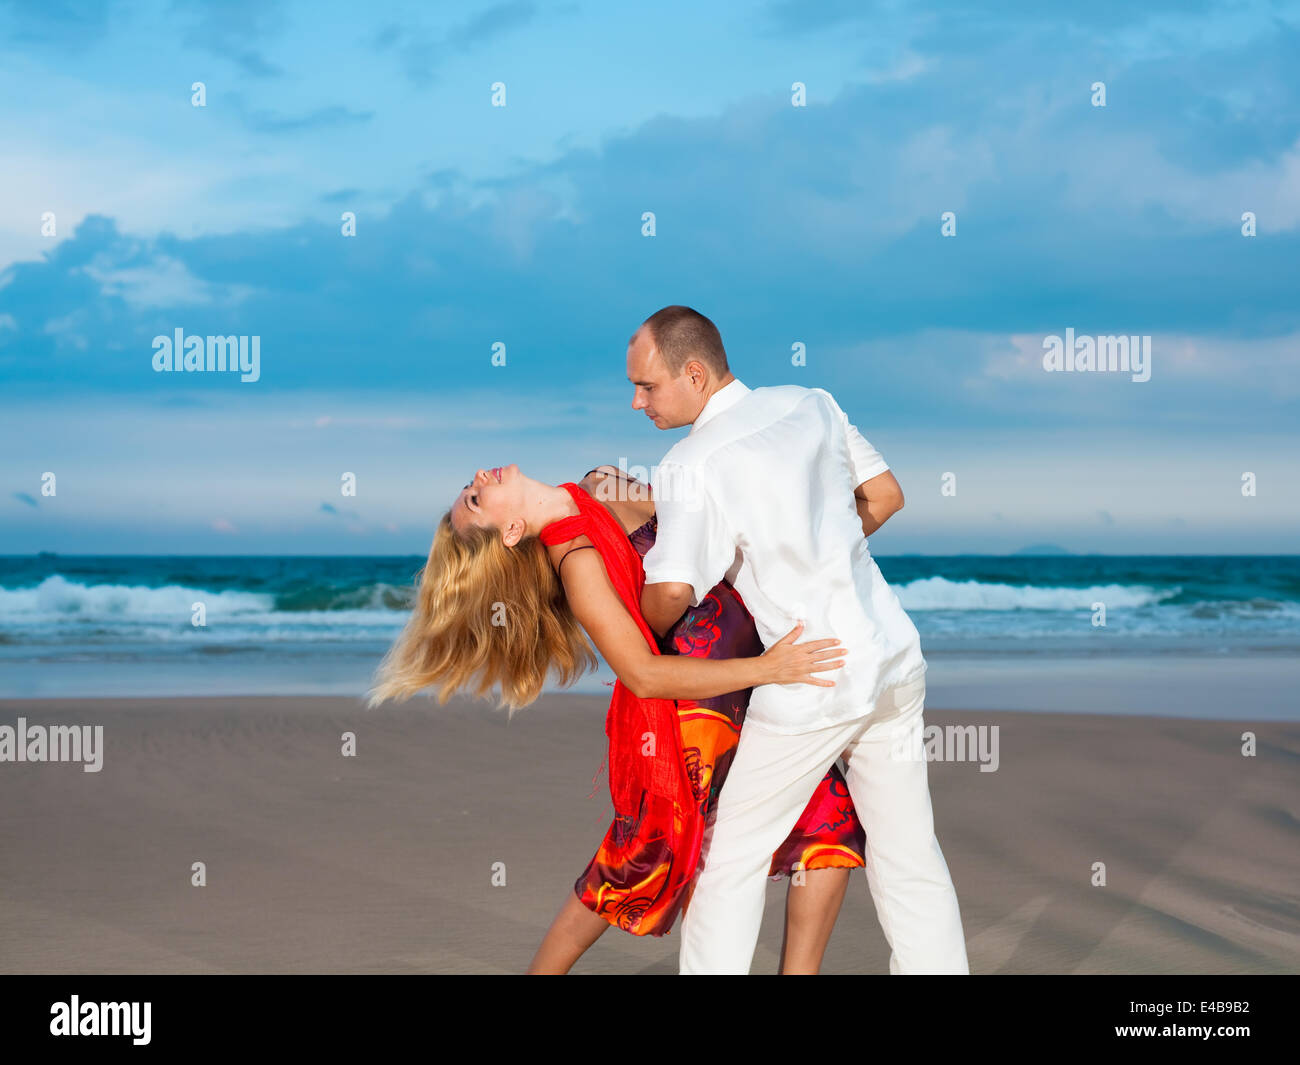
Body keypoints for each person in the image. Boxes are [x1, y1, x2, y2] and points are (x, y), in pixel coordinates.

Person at [368, 460, 870, 974]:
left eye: (468, 488)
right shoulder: (576, 561)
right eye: (475, 499)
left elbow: (712, 524)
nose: (477, 477)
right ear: (512, 531)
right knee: (644, 856)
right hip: (699, 711)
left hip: (757, 677)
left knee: (827, 827)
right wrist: (766, 668)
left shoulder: (599, 482)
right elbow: (644, 674)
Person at [627, 305, 970, 975]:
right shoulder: (812, 401)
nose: (637, 401)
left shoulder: (691, 461)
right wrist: (817, 557)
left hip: (813, 678)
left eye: (648, 386)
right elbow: (886, 495)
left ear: (694, 373)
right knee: (909, 852)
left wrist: (632, 619)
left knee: (731, 858)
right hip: (892, 651)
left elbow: (670, 595)